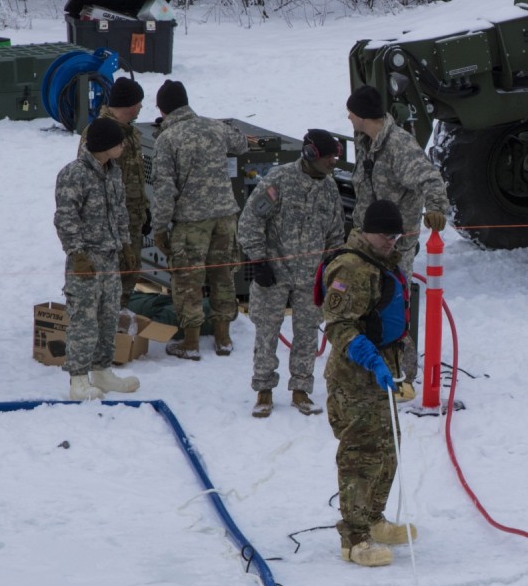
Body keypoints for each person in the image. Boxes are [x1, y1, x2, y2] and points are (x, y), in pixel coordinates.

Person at [320, 200, 420, 566]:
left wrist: (397, 369)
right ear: (366, 231)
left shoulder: (383, 263)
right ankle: (354, 537)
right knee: (360, 454)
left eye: (395, 236)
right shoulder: (349, 268)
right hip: (354, 378)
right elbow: (339, 326)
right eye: (384, 235)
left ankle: (374, 519)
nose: (391, 241)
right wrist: (371, 359)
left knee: (388, 448)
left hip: (384, 375)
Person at [346, 83, 450, 389]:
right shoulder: (368, 140)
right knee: (362, 306)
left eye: (351, 114)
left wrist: (436, 209)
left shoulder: (398, 145)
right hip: (366, 243)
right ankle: (368, 366)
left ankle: (401, 376)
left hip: (393, 248)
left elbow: (429, 177)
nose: (348, 119)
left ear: (364, 116)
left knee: (391, 310)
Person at [238, 129, 346, 418]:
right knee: (266, 331)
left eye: (335, 157)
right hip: (274, 271)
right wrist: (259, 261)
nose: (332, 163)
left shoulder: (329, 188)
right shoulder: (279, 180)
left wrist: (331, 269)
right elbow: (251, 219)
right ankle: (263, 390)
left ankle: (301, 389)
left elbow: (336, 235)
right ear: (311, 154)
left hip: (311, 276)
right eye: (328, 158)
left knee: (308, 333)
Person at [150, 79, 250, 360]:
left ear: (163, 109)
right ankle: (223, 339)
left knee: (188, 282)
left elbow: (164, 188)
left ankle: (191, 343)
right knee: (223, 277)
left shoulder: (167, 139)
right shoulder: (214, 127)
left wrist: (160, 228)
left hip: (191, 223)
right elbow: (242, 144)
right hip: (225, 218)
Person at [54, 117, 140, 401]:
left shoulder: (113, 171)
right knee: (84, 320)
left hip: (110, 257)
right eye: (119, 142)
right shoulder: (74, 174)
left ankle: (102, 371)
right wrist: (77, 253)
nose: (124, 146)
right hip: (86, 260)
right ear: (104, 146)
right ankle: (78, 379)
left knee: (107, 316)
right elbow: (65, 217)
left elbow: (120, 211)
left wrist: (126, 245)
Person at [78, 77, 147, 310]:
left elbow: (135, 175)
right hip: (109, 222)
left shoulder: (130, 133)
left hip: (131, 218)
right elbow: (89, 182)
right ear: (130, 105)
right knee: (108, 277)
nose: (140, 108)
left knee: (130, 271)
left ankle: (119, 319)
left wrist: (143, 209)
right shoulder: (100, 133)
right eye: (139, 103)